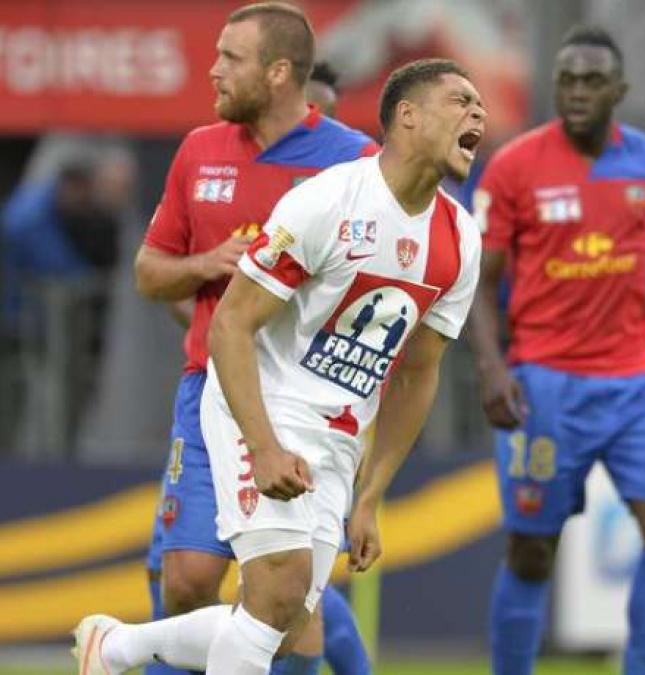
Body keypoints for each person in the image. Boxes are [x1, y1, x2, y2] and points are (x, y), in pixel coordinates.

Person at [73, 56, 484, 675]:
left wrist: (370, 495)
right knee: (277, 589)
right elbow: (232, 325)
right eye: (460, 101)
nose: (477, 113)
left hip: (339, 436)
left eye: (479, 104)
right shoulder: (329, 202)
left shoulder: (460, 238)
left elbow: (418, 373)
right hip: (262, 404)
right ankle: (121, 649)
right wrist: (262, 445)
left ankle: (119, 648)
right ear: (407, 116)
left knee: (284, 628)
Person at [469, 25, 645, 675]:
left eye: (593, 80)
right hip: (544, 386)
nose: (577, 91)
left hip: (633, 384)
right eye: (567, 79)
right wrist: (492, 365)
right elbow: (476, 286)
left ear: (619, 90)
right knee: (532, 550)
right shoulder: (514, 166)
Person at [126, 4, 377, 674]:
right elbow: (149, 272)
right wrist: (206, 264)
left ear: (278, 73)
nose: (213, 70)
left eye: (230, 59)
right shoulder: (199, 150)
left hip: (306, 401)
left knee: (291, 598)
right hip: (210, 388)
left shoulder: (355, 162)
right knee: (185, 577)